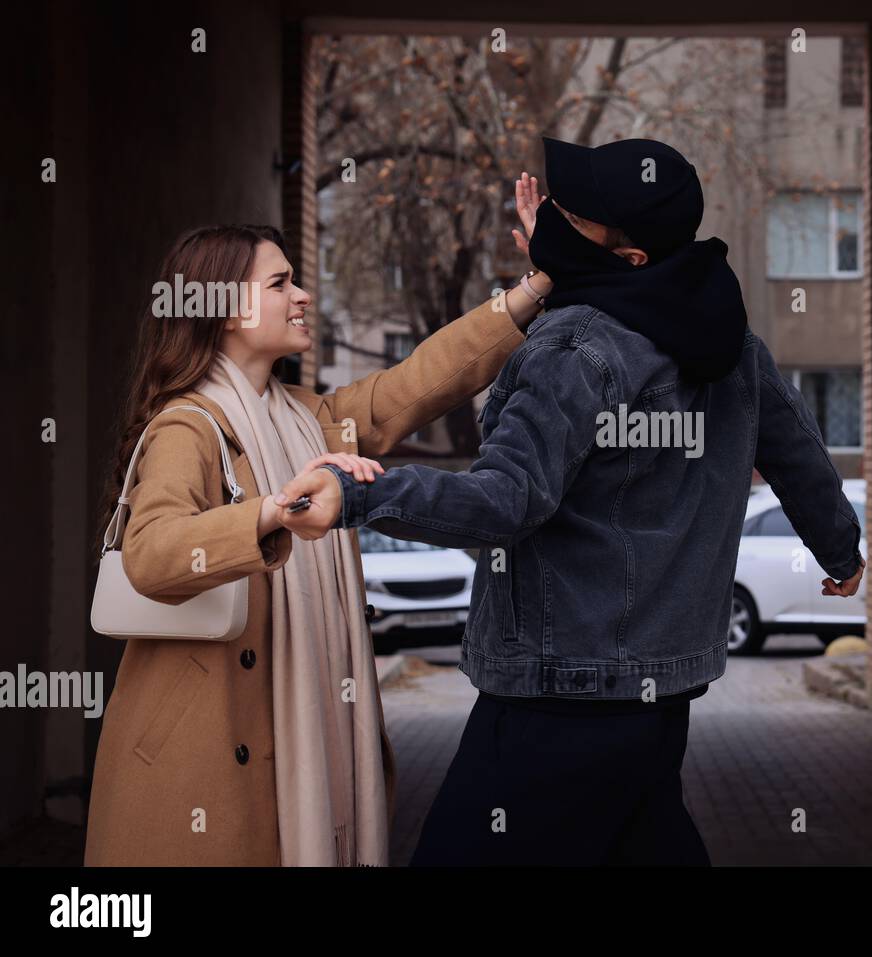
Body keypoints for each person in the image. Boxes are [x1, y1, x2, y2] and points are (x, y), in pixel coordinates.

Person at [274, 136, 865, 866]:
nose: (552, 213)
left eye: (574, 215)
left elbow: (503, 499)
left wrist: (360, 494)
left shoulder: (574, 350)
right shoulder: (730, 341)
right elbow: (799, 450)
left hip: (557, 695)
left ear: (629, 259)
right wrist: (840, 547)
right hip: (663, 690)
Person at [84, 178, 553, 866]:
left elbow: (419, 379)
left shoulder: (310, 417)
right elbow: (150, 554)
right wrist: (268, 513)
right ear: (224, 308)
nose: (303, 295)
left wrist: (537, 286)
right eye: (280, 284)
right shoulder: (187, 426)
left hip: (279, 745)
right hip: (200, 766)